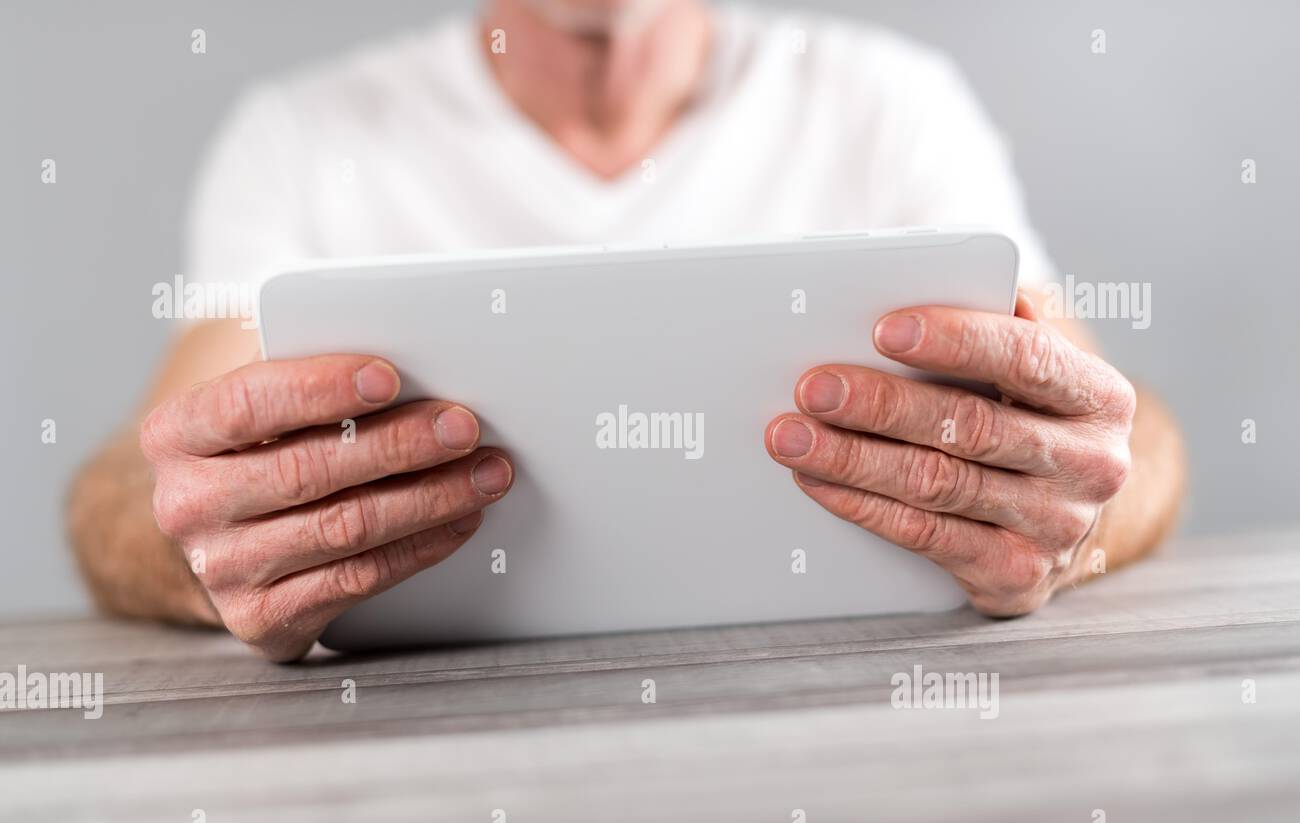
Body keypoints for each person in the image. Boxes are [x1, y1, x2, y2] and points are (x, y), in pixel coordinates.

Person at [67, 0, 1186, 661]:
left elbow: (1120, 435)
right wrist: (199, 545)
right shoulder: (302, 139)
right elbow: (136, 480)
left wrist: (1068, 516)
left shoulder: (887, 103)